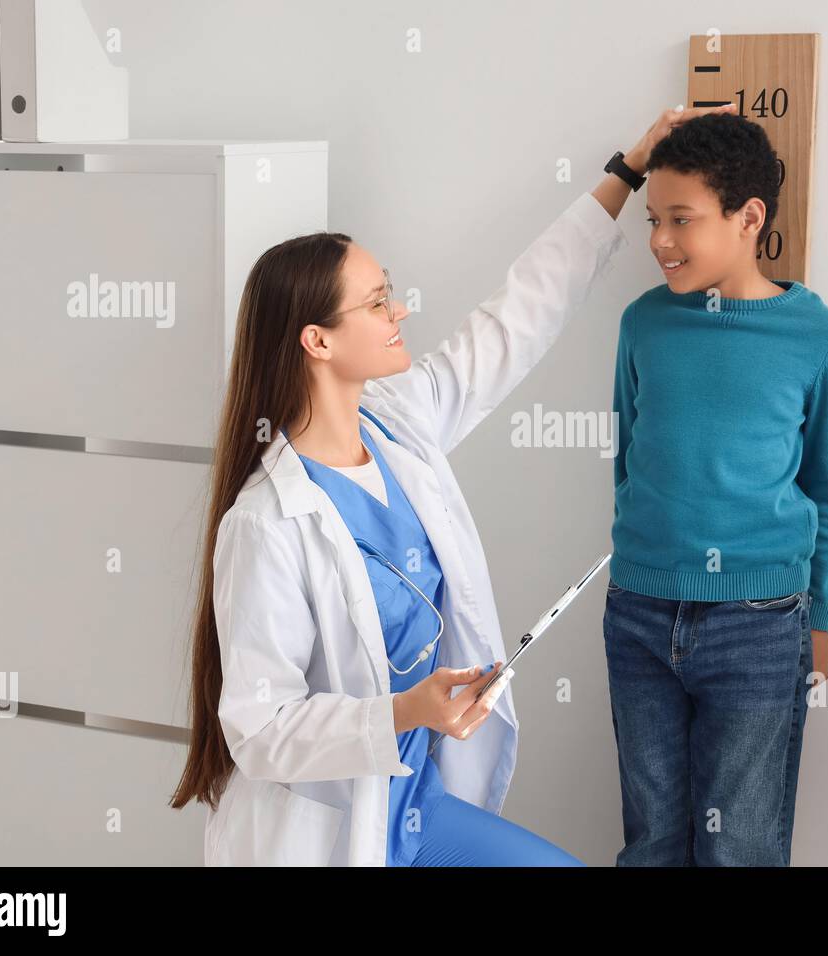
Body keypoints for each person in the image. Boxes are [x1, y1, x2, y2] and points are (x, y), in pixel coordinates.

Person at [169, 104, 739, 866]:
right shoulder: (267, 522)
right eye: (376, 302)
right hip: (332, 830)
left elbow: (518, 316)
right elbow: (261, 729)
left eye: (390, 291)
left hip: (415, 805)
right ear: (318, 341)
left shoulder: (400, 424)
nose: (398, 309)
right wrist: (407, 709)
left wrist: (627, 171)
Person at [604, 112, 828, 865]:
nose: (658, 241)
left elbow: (827, 486)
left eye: (681, 220)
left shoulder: (817, 336)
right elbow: (626, 458)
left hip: (760, 625)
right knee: (650, 840)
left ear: (749, 218)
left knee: (738, 844)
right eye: (653, 220)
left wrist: (820, 616)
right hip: (639, 616)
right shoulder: (643, 323)